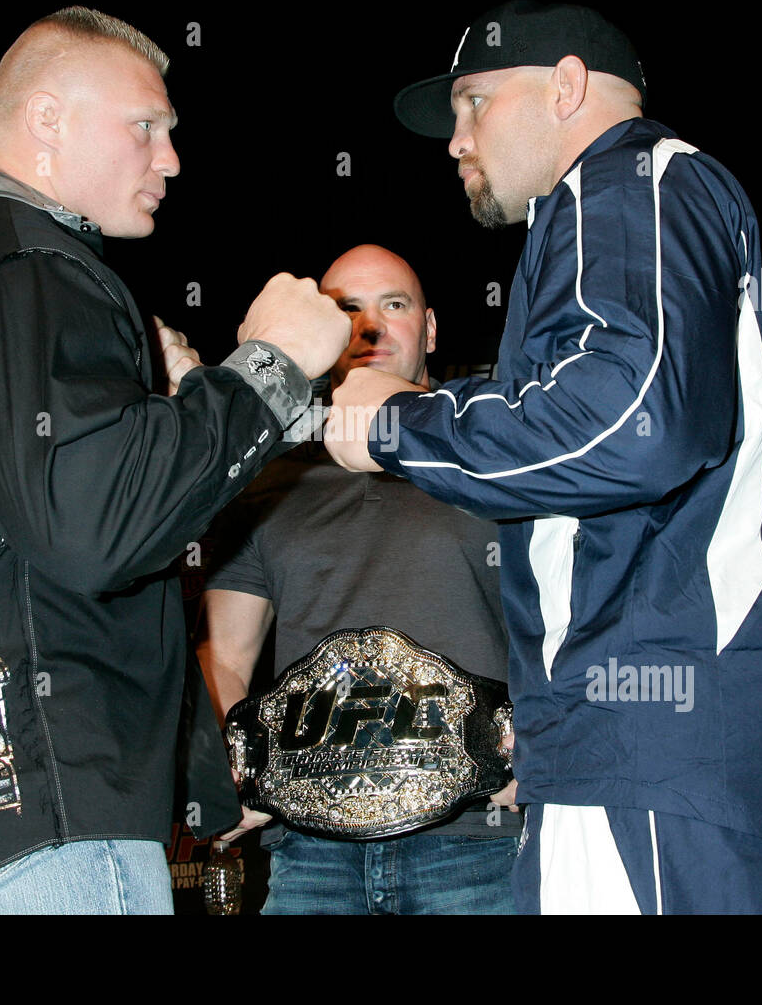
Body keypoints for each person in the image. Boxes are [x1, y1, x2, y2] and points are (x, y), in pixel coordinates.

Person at [326, 1, 762, 914]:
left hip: (662, 766)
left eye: (474, 103)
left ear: (565, 87)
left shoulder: (623, 184)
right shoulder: (683, 201)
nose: (455, 140)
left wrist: (397, 424)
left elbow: (636, 420)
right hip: (757, 760)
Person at [0, 6, 349, 915]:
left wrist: (205, 779)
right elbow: (95, 528)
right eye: (147, 126)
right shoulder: (20, 263)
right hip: (34, 829)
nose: (171, 159)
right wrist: (270, 365)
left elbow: (31, 548)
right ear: (46, 121)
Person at [198, 244, 521, 915]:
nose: (370, 327)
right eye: (348, 309)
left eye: (393, 305)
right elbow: (225, 654)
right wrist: (239, 770)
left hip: (476, 843)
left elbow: (573, 621)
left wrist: (537, 755)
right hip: (311, 850)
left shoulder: (499, 450)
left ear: (429, 328)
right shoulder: (267, 476)